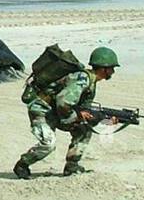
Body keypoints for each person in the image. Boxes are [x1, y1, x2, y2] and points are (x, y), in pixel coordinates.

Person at [13, 46, 119, 179]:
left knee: (84, 129)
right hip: (42, 110)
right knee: (48, 144)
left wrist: (103, 120)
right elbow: (63, 102)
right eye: (112, 68)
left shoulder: (91, 82)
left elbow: (84, 109)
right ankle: (22, 164)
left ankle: (72, 166)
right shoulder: (82, 79)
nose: (113, 72)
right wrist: (77, 117)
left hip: (57, 111)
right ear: (104, 68)